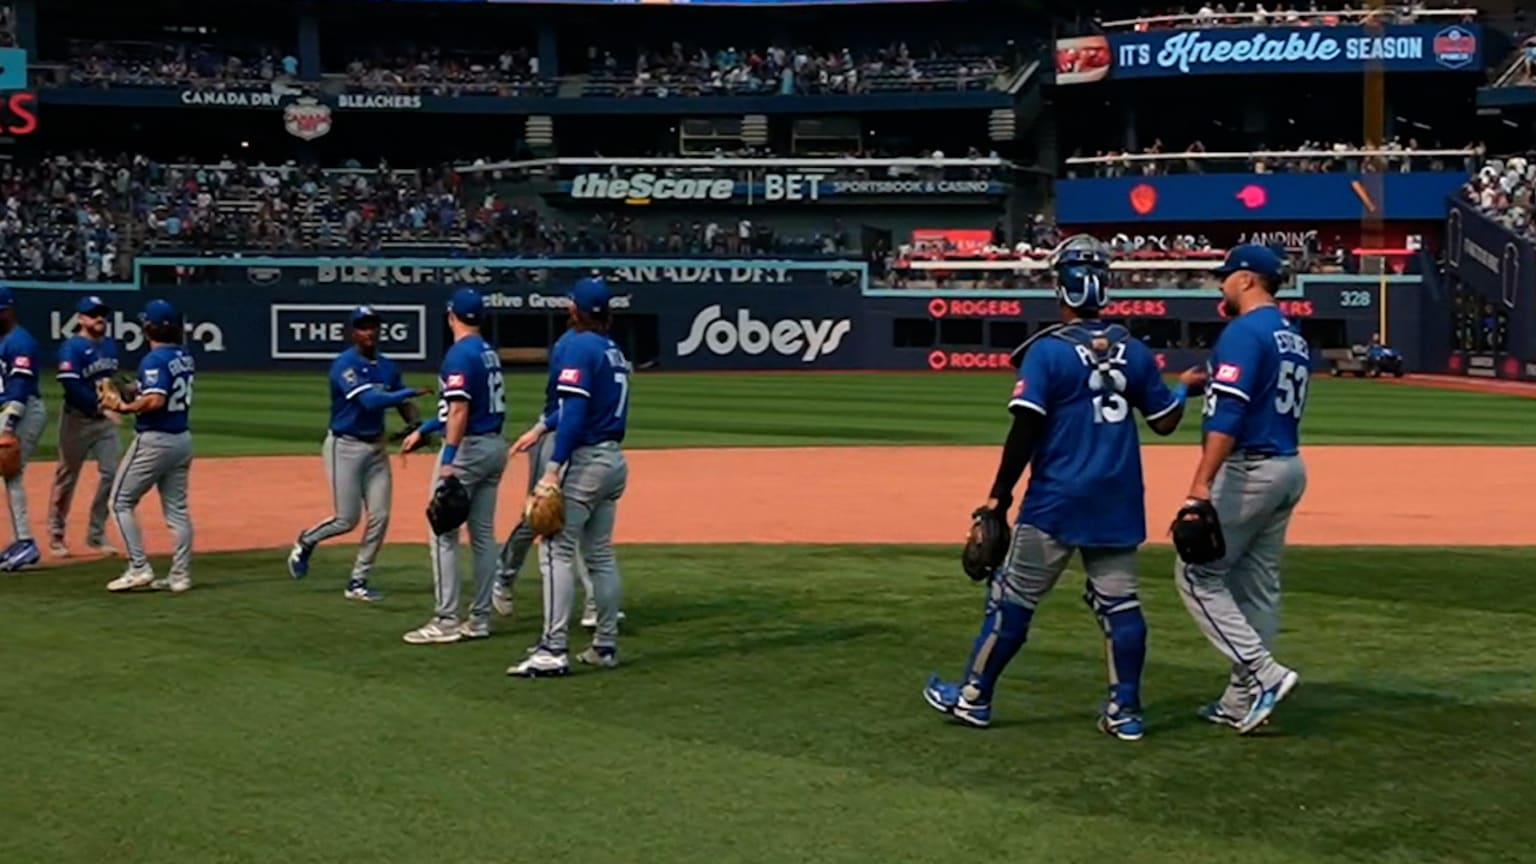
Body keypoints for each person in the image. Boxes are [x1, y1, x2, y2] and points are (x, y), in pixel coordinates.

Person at [922, 235, 1202, 740]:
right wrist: (1184, 387)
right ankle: (1127, 712)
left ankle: (973, 697)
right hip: (1117, 497)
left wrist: (998, 497)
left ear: (1060, 289)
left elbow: (1024, 430)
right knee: (1121, 604)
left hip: (1057, 498)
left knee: (1012, 599)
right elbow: (1163, 422)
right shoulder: (1133, 352)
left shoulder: (1047, 352)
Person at [1173, 243, 1307, 734]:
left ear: (1248, 280)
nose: (1221, 284)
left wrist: (1200, 485)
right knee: (1257, 586)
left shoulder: (1242, 331)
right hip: (1289, 465)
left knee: (1196, 576)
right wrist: (1201, 383)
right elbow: (1258, 386)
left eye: (1227, 276)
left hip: (1250, 470)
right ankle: (1239, 701)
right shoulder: (1289, 335)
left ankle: (1264, 675)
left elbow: (1228, 417)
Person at [508, 277, 631, 677]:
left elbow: (576, 413)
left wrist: (551, 470)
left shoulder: (577, 345)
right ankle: (605, 645)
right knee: (599, 554)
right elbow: (575, 406)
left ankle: (553, 648)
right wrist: (542, 426)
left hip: (586, 462)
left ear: (576, 310)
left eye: (571, 304)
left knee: (555, 550)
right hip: (613, 461)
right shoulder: (611, 349)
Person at [288, 306, 430, 601]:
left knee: (380, 516)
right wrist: (407, 394)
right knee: (346, 519)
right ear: (353, 332)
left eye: (373, 326)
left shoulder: (387, 366)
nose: (369, 332)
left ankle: (358, 579)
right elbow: (370, 401)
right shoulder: (345, 365)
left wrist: (417, 425)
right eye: (363, 327)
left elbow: (401, 403)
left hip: (376, 449)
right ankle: (307, 540)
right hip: (345, 447)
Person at [399, 288, 508, 644]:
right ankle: (479, 620)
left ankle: (445, 620)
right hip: (494, 446)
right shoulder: (487, 351)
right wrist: (427, 428)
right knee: (482, 536)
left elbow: (459, 411)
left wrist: (447, 461)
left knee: (442, 531)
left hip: (469, 451)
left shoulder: (459, 354)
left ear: (451, 316)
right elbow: (456, 410)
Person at [106, 299, 196, 594]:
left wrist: (123, 404)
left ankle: (138, 568)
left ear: (148, 328)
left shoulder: (154, 360)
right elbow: (158, 390)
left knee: (119, 502)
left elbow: (155, 401)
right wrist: (134, 388)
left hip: (155, 439)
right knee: (177, 511)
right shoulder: (183, 355)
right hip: (182, 439)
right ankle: (180, 576)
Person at [47, 295, 123, 559]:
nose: (99, 318)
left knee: (112, 474)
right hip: (76, 420)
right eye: (92, 314)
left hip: (104, 423)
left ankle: (96, 533)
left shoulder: (110, 346)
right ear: (80, 319)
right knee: (67, 477)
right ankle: (56, 534)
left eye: (102, 313)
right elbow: (72, 387)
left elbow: (110, 380)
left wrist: (128, 390)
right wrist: (102, 407)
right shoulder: (72, 348)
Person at [0, 286, 45, 572]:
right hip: (10, 411)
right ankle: (22, 541)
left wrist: (9, 426)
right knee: (9, 476)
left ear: (6, 311)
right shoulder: (4, 339)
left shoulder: (20, 342)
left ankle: (26, 543)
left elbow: (19, 387)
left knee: (11, 472)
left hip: (23, 411)